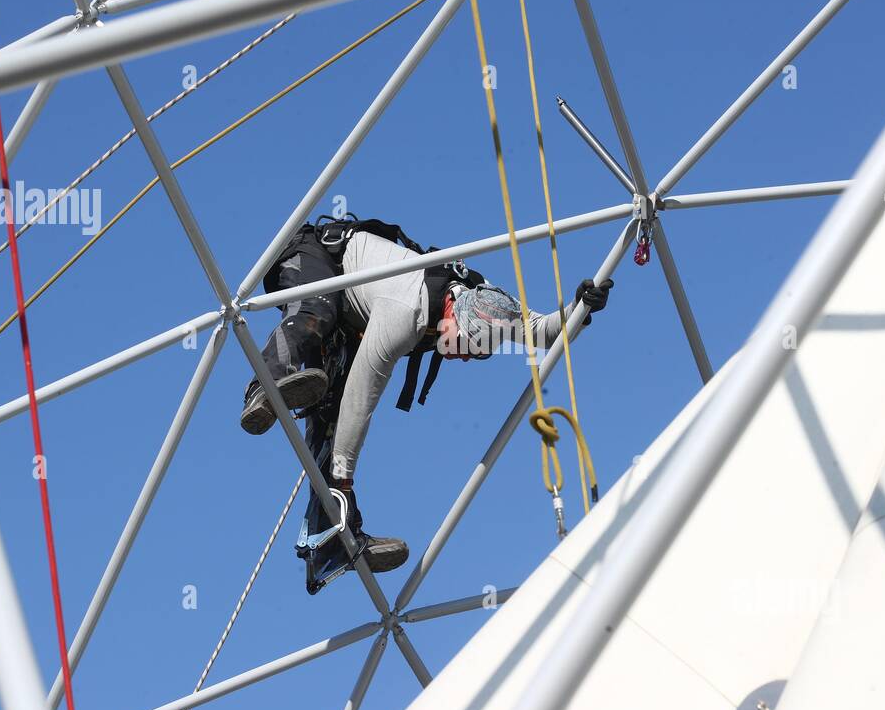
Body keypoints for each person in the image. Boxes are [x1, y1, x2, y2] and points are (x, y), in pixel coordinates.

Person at [240, 215, 613, 592]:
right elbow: (362, 394)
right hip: (316, 257)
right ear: (453, 317)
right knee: (314, 314)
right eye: (466, 347)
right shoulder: (404, 313)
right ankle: (265, 388)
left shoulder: (491, 304)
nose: (466, 358)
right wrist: (343, 477)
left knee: (329, 417)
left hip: (354, 315)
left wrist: (581, 310)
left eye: (478, 354)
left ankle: (331, 538)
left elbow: (543, 331)